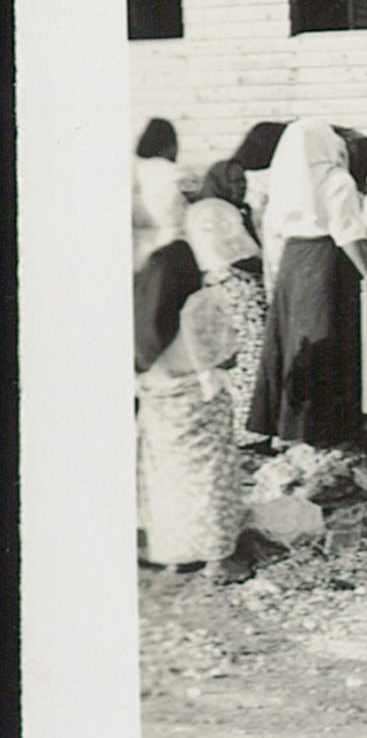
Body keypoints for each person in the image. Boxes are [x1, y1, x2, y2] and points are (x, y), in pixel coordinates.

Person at [245, 119, 367, 448]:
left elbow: (272, 230)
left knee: (296, 340)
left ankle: (287, 427)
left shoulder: (286, 184)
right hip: (325, 261)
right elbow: (348, 232)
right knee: (326, 337)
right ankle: (321, 430)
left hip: (294, 260)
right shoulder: (337, 180)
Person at [136, 240, 248, 579]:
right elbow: (228, 355)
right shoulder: (200, 304)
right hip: (200, 398)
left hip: (157, 396)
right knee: (211, 475)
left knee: (168, 477)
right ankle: (217, 558)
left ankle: (176, 554)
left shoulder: (139, 312)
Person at [185, 160, 269, 429]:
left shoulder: (223, 209)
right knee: (249, 355)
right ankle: (248, 427)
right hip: (234, 288)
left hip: (230, 288)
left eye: (242, 180)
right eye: (233, 180)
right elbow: (241, 255)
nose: (239, 186)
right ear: (218, 182)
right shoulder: (214, 211)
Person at [133, 118, 187, 269]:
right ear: (170, 145)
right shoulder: (176, 171)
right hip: (170, 237)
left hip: (139, 239)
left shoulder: (136, 169)